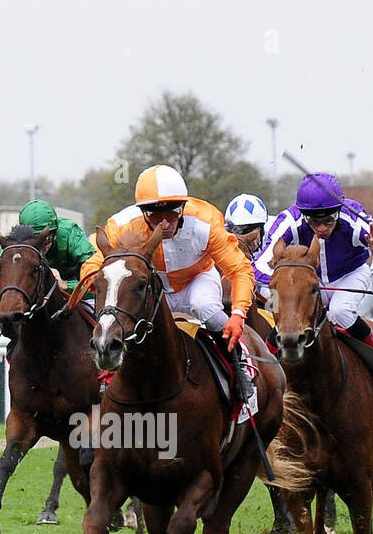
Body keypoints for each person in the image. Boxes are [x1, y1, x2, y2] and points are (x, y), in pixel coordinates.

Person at [78, 164, 256, 403]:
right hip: (152, 286)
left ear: (183, 206)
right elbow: (93, 264)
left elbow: (239, 269)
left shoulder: (205, 219)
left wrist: (237, 313)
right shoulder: (123, 225)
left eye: (172, 213)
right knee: (127, 316)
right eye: (154, 214)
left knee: (206, 308)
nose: (164, 223)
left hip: (197, 280)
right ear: (142, 212)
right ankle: (111, 374)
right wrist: (98, 282)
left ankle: (238, 364)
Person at [252, 172, 373, 411]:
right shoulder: (288, 220)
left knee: (340, 312)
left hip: (349, 276)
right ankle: (259, 382)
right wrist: (284, 284)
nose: (321, 228)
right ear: (303, 214)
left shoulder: (354, 220)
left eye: (328, 220)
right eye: (314, 222)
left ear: (339, 209)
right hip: (310, 282)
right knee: (288, 322)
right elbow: (259, 266)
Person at [0, 199, 97, 304]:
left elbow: (98, 281)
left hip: (71, 297)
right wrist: (22, 285)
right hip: (33, 300)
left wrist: (65, 285)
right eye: (35, 240)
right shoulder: (14, 244)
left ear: (56, 231)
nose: (43, 246)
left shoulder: (69, 233)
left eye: (47, 238)